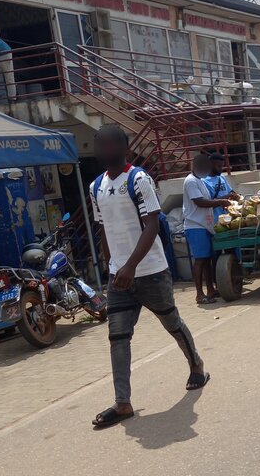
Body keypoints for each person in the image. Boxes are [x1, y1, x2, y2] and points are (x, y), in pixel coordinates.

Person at [89, 125, 208, 428]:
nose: (104, 149)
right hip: (119, 277)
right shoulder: (95, 187)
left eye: (110, 144)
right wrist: (112, 265)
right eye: (99, 144)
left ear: (124, 148)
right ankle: (123, 402)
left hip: (151, 272)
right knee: (117, 337)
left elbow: (152, 225)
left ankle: (196, 365)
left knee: (171, 323)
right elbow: (102, 228)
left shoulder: (138, 180)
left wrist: (130, 266)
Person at [183, 153, 236, 304]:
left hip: (204, 225)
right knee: (200, 260)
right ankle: (199, 294)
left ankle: (211, 290)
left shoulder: (199, 181)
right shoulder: (191, 181)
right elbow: (200, 202)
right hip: (195, 225)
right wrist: (221, 202)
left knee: (207, 259)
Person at [203, 151, 234, 223]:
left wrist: (235, 196)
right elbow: (207, 202)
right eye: (219, 166)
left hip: (228, 218)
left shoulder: (222, 178)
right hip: (215, 220)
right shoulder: (204, 181)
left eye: (222, 166)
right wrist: (227, 197)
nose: (221, 169)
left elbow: (230, 191)